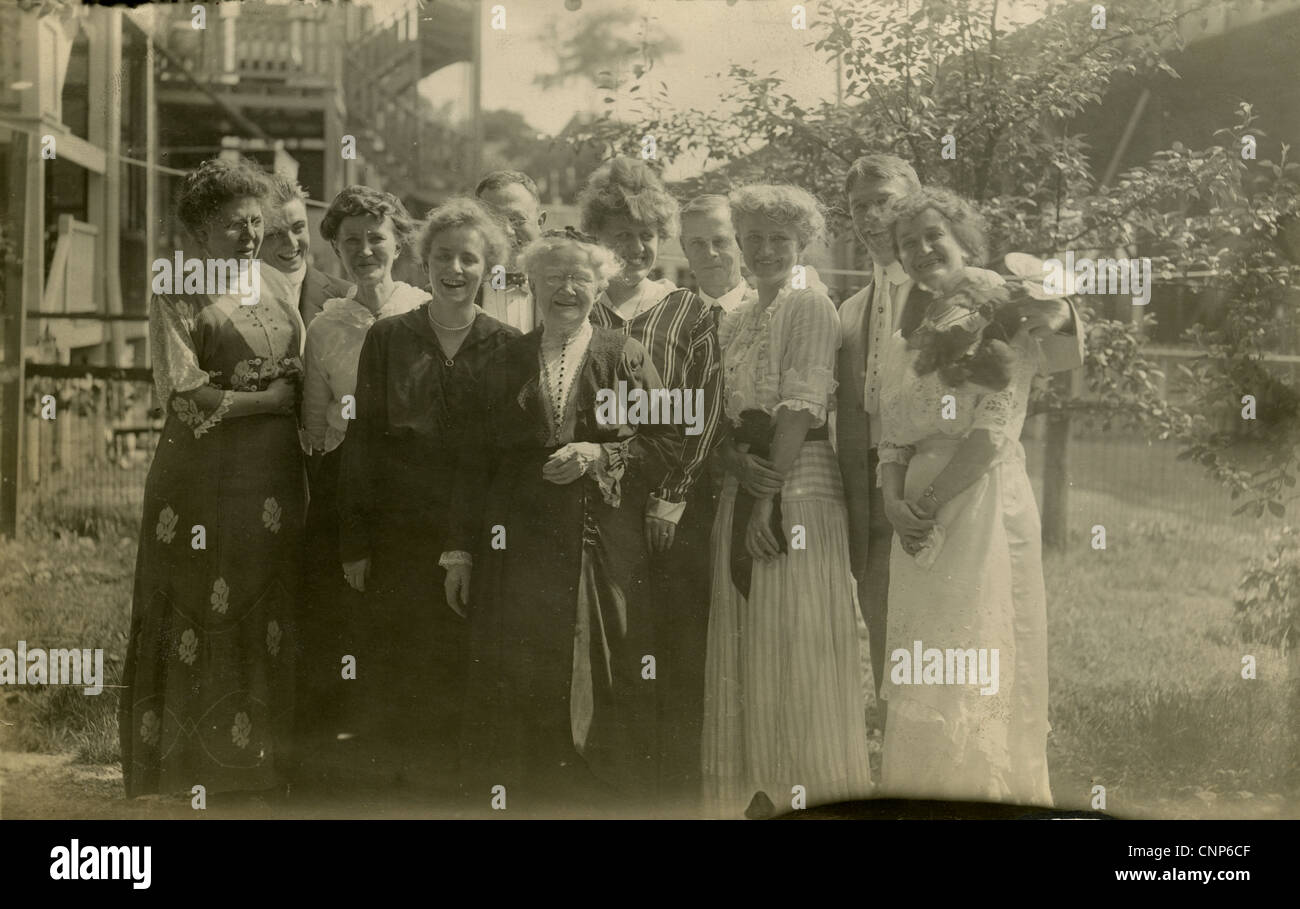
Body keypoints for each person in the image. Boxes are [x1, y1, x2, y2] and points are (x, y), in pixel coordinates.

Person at [836, 154, 1084, 704]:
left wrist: (1062, 309)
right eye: (862, 207)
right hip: (884, 484)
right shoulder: (853, 309)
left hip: (970, 492)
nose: (876, 216)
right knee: (901, 633)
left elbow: (1053, 341)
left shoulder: (993, 293)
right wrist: (893, 495)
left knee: (973, 649)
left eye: (887, 202)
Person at [441, 228, 667, 815]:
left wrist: (599, 455)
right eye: (552, 279)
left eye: (580, 279)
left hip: (600, 549)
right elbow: (472, 462)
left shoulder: (624, 353)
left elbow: (665, 442)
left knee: (601, 677)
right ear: (533, 285)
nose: (566, 290)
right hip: (515, 551)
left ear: (600, 285)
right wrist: (461, 553)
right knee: (522, 679)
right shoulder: (503, 358)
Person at [120, 158, 302, 804]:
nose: (250, 235)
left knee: (265, 600)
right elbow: (186, 392)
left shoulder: (278, 284)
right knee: (205, 602)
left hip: (273, 478)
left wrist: (288, 391)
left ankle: (261, 764)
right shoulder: (177, 286)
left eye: (256, 221)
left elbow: (298, 367)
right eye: (233, 225)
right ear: (199, 232)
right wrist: (268, 402)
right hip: (203, 477)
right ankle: (193, 768)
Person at [875, 187, 1062, 805]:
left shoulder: (1005, 309)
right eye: (909, 243)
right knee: (924, 669)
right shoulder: (906, 329)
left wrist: (923, 511)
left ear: (961, 239)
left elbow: (990, 435)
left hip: (981, 508)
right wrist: (893, 504)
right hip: (913, 523)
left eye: (934, 235)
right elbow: (892, 434)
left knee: (978, 663)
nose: (923, 250)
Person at [701, 184, 873, 819]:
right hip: (743, 482)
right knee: (749, 645)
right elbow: (720, 413)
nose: (767, 249)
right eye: (755, 238)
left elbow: (801, 409)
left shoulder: (809, 303)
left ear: (802, 244)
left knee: (794, 643)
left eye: (781, 238)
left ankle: (808, 791)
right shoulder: (742, 314)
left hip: (795, 488)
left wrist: (766, 499)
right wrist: (732, 462)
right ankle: (756, 796)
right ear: (740, 245)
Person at [336, 197, 517, 793]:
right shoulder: (389, 338)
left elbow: (511, 456)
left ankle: (461, 795)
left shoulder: (509, 346)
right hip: (398, 531)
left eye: (470, 257)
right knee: (400, 661)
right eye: (444, 255)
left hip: (479, 530)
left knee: (467, 662)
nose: (456, 268)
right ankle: (402, 793)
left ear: (488, 266)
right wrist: (356, 541)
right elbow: (361, 441)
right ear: (424, 260)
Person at [581, 159, 724, 805]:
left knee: (668, 647)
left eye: (647, 235)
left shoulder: (687, 310)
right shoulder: (578, 305)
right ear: (596, 236)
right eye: (620, 234)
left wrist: (674, 493)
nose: (635, 248)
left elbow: (702, 407)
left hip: (669, 506)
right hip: (594, 505)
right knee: (610, 648)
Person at [296, 185, 430, 787]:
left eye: (377, 238)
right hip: (345, 484)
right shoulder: (325, 327)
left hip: (415, 488)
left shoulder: (429, 312)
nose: (366, 250)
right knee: (343, 619)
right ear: (336, 251)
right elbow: (317, 421)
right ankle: (346, 766)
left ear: (399, 242)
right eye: (352, 242)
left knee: (407, 618)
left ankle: (410, 757)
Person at [259, 173, 353, 330]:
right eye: (275, 233)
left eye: (298, 227)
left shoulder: (347, 297)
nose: (291, 242)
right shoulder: (234, 297)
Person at [474, 170, 547, 332]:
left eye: (517, 220)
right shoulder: (450, 292)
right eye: (493, 221)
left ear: (540, 222)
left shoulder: (563, 290)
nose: (507, 231)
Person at [679, 194, 754, 317]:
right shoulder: (674, 319)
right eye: (697, 243)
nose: (710, 252)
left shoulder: (771, 313)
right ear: (684, 248)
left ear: (741, 242)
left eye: (720, 241)